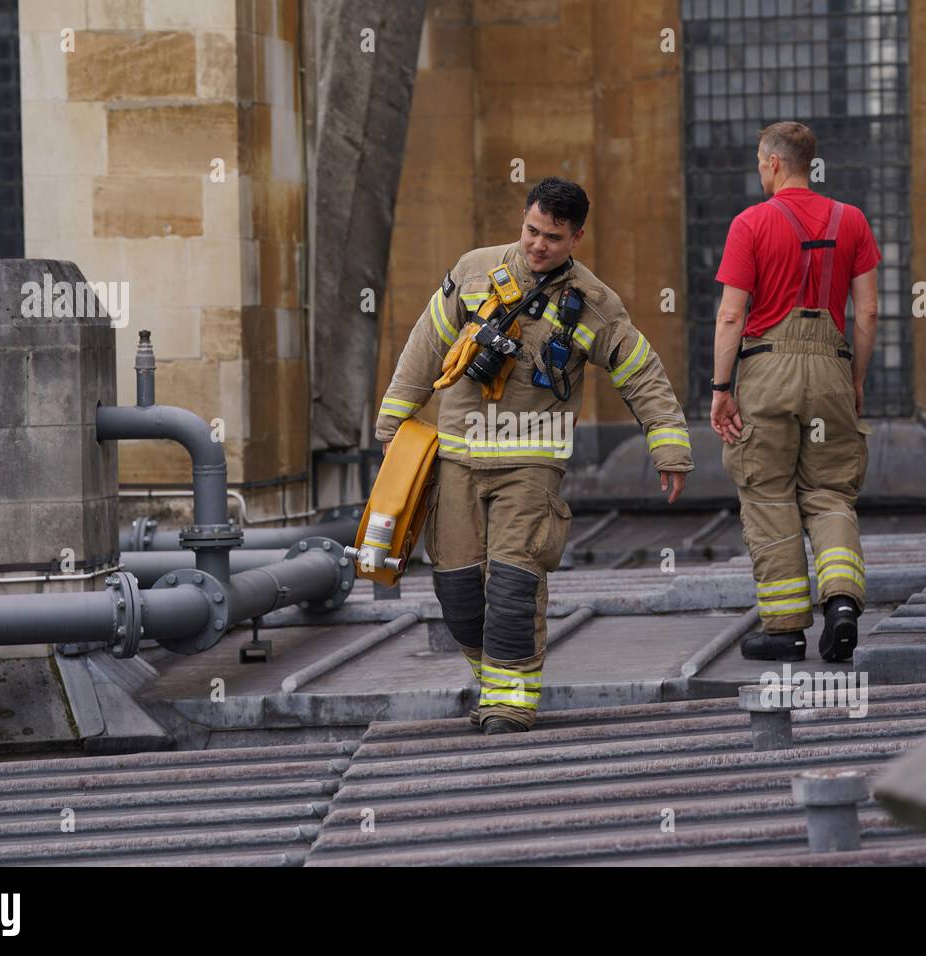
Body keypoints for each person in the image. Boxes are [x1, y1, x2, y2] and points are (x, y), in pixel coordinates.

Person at [375, 178, 693, 733]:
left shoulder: (594, 304)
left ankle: (509, 705)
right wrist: (394, 418)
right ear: (523, 219)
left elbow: (640, 372)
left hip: (529, 467)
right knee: (455, 588)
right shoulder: (474, 272)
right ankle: (492, 682)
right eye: (532, 230)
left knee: (515, 585)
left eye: (553, 237)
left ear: (577, 238)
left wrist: (668, 444)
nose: (539, 245)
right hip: (455, 460)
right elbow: (426, 343)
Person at [709, 122, 881, 663]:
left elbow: (732, 314)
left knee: (767, 493)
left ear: (774, 162)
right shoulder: (851, 220)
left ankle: (784, 630)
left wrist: (720, 388)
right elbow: (870, 311)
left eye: (761, 163)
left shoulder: (750, 223)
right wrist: (854, 379)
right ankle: (844, 603)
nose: (760, 171)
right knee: (830, 493)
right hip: (831, 369)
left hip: (767, 372)